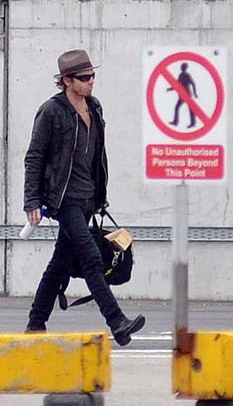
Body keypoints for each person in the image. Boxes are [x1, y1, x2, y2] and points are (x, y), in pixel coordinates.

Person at [22, 49, 145, 345]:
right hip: (64, 200)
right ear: (66, 80)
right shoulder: (51, 111)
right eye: (84, 77)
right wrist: (31, 200)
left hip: (90, 197)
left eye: (93, 76)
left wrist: (101, 194)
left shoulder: (95, 107)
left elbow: (97, 155)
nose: (91, 81)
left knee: (60, 263)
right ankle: (117, 322)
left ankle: (36, 323)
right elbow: (34, 157)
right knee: (91, 258)